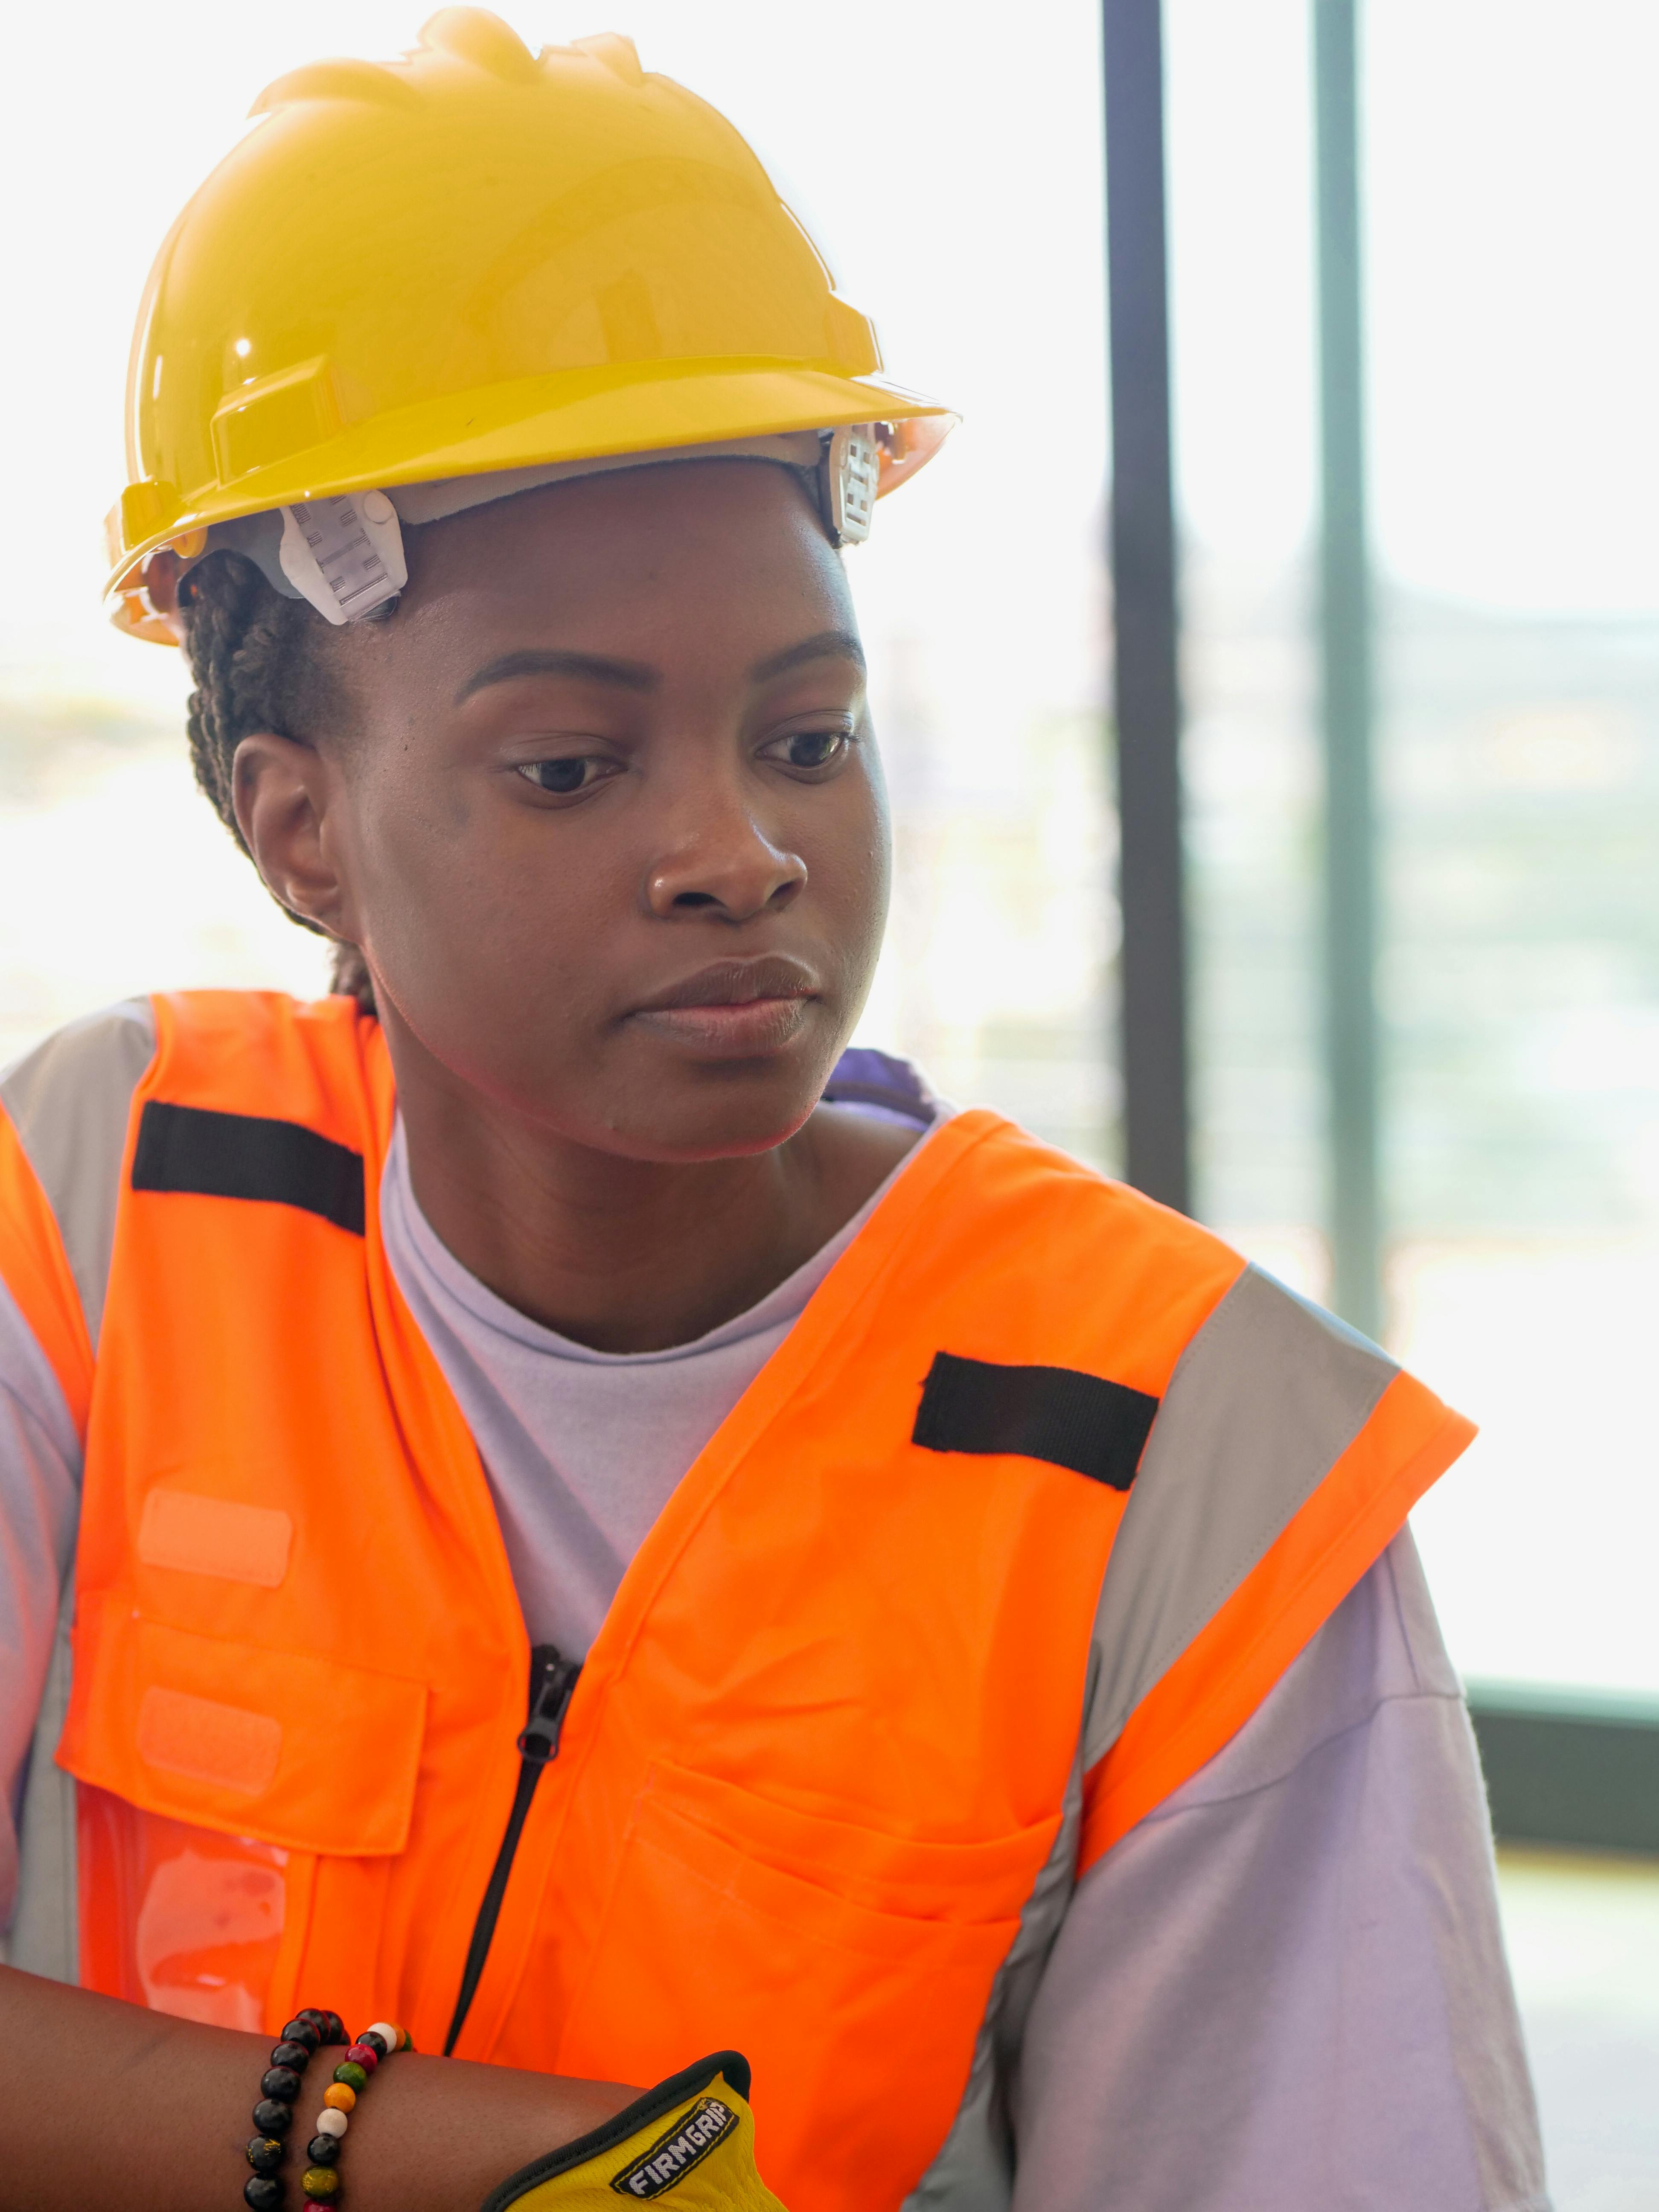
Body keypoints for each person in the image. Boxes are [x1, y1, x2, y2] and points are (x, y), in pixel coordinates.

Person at [0, 13, 1548, 2212]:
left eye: (808, 738)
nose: (741, 854)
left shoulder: (1175, 1456)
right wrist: (462, 2156)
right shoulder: (107, 1197)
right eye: (572, 765)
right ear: (300, 828)